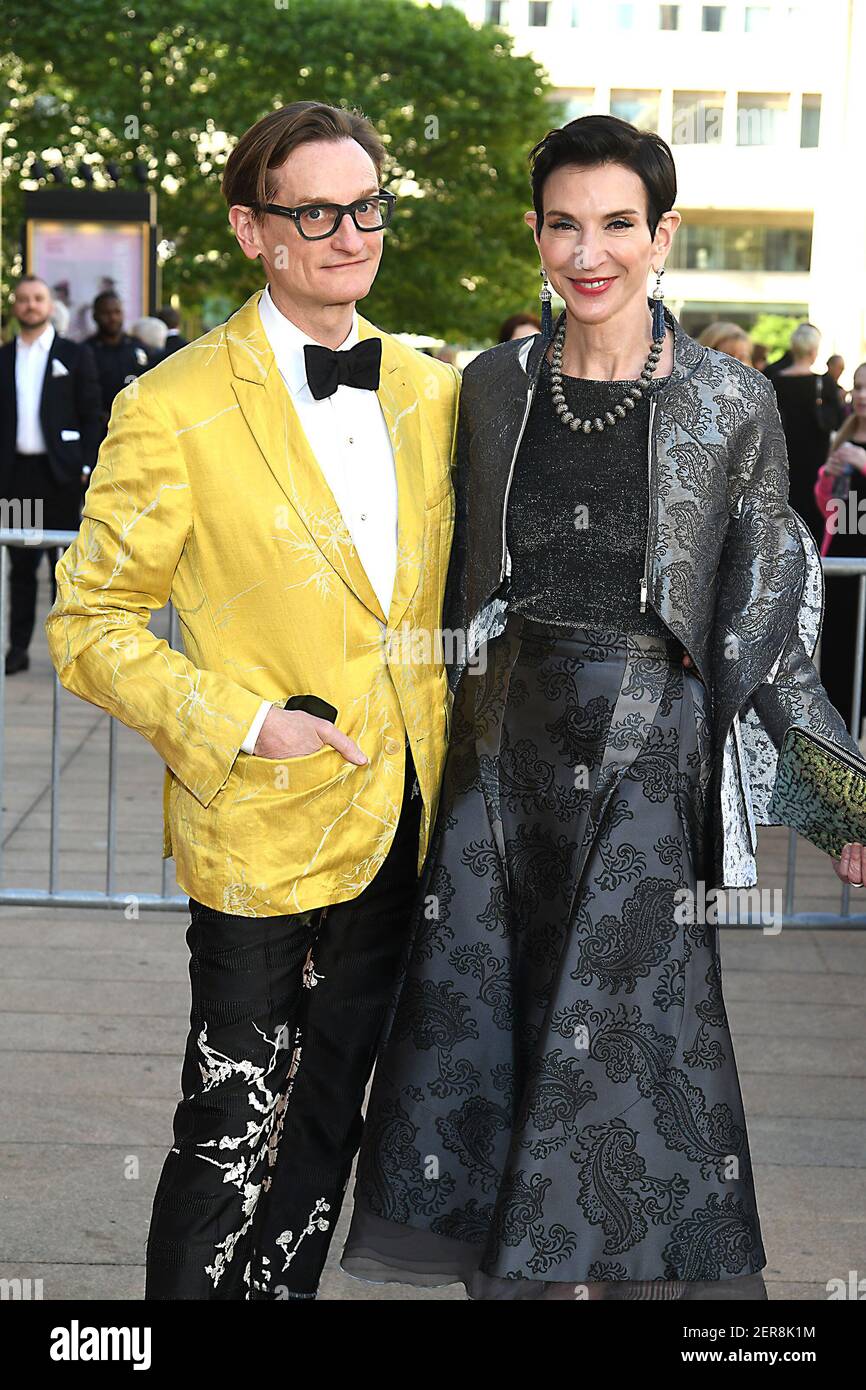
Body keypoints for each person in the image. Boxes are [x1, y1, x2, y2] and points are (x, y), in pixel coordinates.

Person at [341, 114, 866, 1301]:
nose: (589, 253)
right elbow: (422, 577)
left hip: (642, 779)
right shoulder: (487, 388)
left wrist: (844, 807)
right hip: (496, 761)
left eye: (617, 224)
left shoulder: (731, 403)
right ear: (535, 234)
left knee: (623, 1065)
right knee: (491, 1055)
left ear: (660, 234)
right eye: (562, 225)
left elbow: (766, 634)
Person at [44, 100, 460, 1300]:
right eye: (314, 212)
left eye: (365, 205)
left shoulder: (431, 393)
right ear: (250, 230)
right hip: (258, 821)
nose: (350, 233)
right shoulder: (170, 403)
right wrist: (242, 721)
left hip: (402, 823)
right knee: (230, 1126)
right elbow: (89, 622)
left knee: (326, 1124)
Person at [0, 275, 101, 675]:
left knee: (64, 568)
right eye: (24, 299)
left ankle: (69, 656)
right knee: (21, 567)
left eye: (38, 298)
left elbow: (91, 414)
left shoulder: (73, 355)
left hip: (60, 476)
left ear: (48, 305)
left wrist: (85, 466)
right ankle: (18, 649)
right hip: (17, 478)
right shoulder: (4, 357)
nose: (31, 305)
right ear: (15, 306)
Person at [813, 362, 866, 740]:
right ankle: (842, 747)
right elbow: (830, 507)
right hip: (842, 561)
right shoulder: (845, 437)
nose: (861, 395)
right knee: (839, 660)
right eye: (858, 387)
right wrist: (828, 476)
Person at [771, 324, 836, 544]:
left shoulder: (775, 381)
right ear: (813, 350)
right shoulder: (823, 383)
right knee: (813, 516)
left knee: (787, 514)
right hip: (816, 460)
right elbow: (837, 419)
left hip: (783, 458)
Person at [84, 292, 154, 443]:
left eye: (117, 312)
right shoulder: (85, 351)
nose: (113, 318)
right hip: (98, 435)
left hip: (135, 431)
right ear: (95, 316)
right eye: (106, 313)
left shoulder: (138, 348)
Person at [821, 353, 847, 433]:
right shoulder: (819, 383)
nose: (841, 371)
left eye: (842, 368)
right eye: (839, 368)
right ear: (830, 366)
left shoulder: (839, 388)